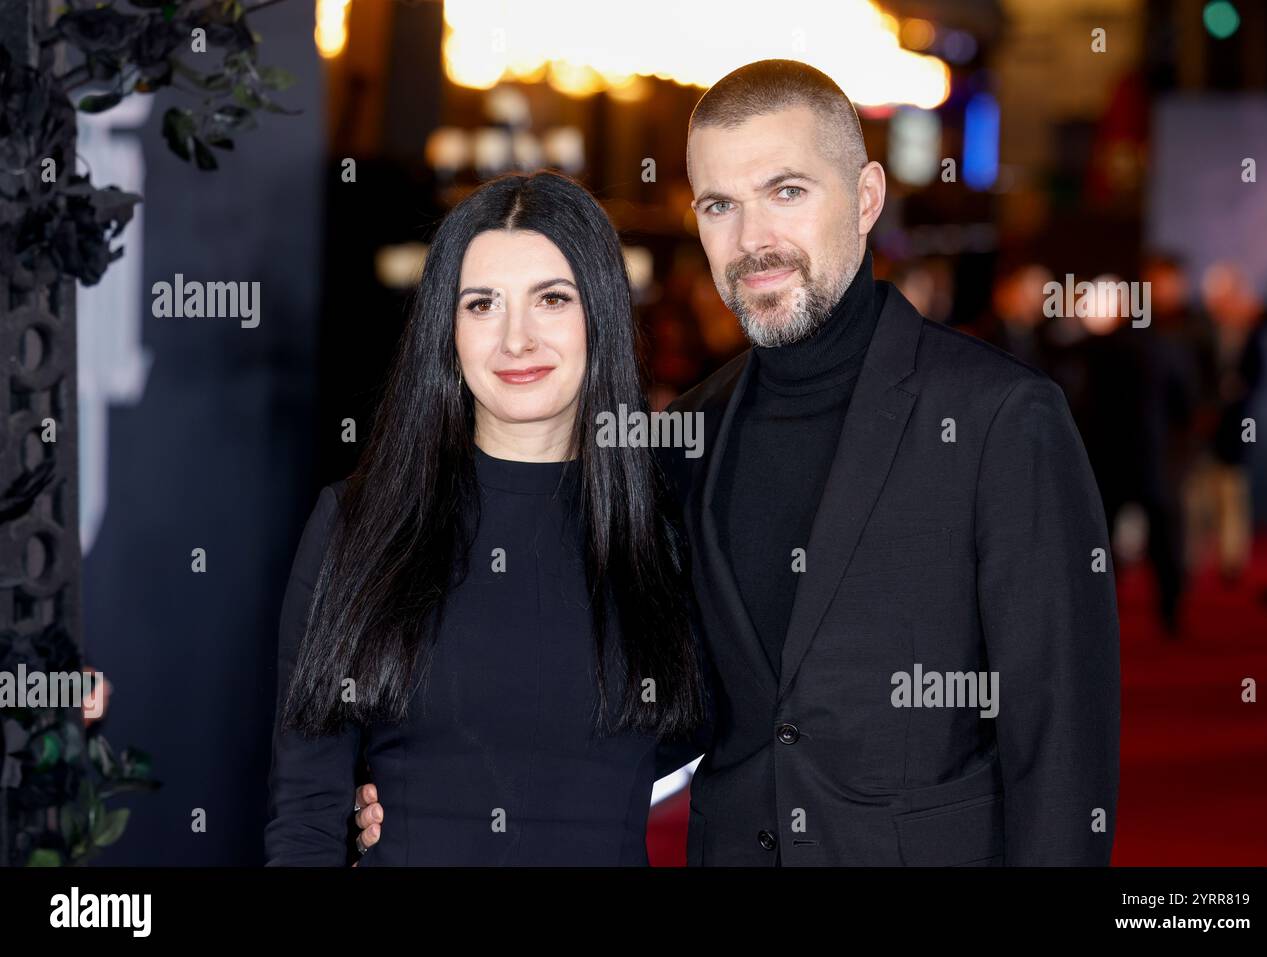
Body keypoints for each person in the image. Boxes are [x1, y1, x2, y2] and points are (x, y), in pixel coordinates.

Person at [356, 59, 1121, 866]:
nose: (753, 241)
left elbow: (1060, 734)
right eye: (721, 205)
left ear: (865, 197)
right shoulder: (688, 434)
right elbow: (666, 714)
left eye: (787, 191)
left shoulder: (998, 418)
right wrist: (437, 782)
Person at [264, 171, 707, 866]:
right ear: (447, 326)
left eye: (552, 299)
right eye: (482, 304)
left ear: (601, 312)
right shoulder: (359, 524)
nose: (516, 339)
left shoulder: (668, 530)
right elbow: (305, 818)